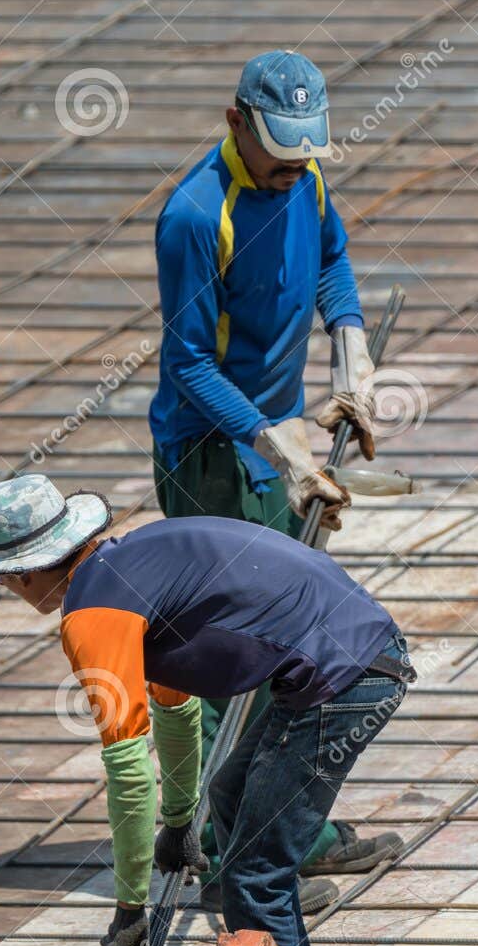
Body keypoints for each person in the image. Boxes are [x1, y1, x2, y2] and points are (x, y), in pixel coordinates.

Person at [0, 475, 412, 946]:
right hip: (358, 649)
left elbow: (127, 769)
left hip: (346, 677)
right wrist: (177, 824)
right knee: (228, 793)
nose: (4, 587)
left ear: (24, 573)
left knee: (257, 880)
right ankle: (245, 903)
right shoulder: (136, 564)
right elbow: (176, 712)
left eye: (3, 576)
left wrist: (131, 906)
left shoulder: (93, 616)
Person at [149, 48, 400, 901]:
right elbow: (187, 364)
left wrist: (350, 344)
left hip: (276, 437)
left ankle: (290, 832)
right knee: (230, 663)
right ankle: (235, 864)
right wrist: (278, 447)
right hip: (211, 457)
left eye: (307, 154)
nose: (294, 171)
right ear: (234, 125)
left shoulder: (307, 182)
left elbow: (330, 259)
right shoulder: (196, 217)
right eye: (280, 154)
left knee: (291, 646)